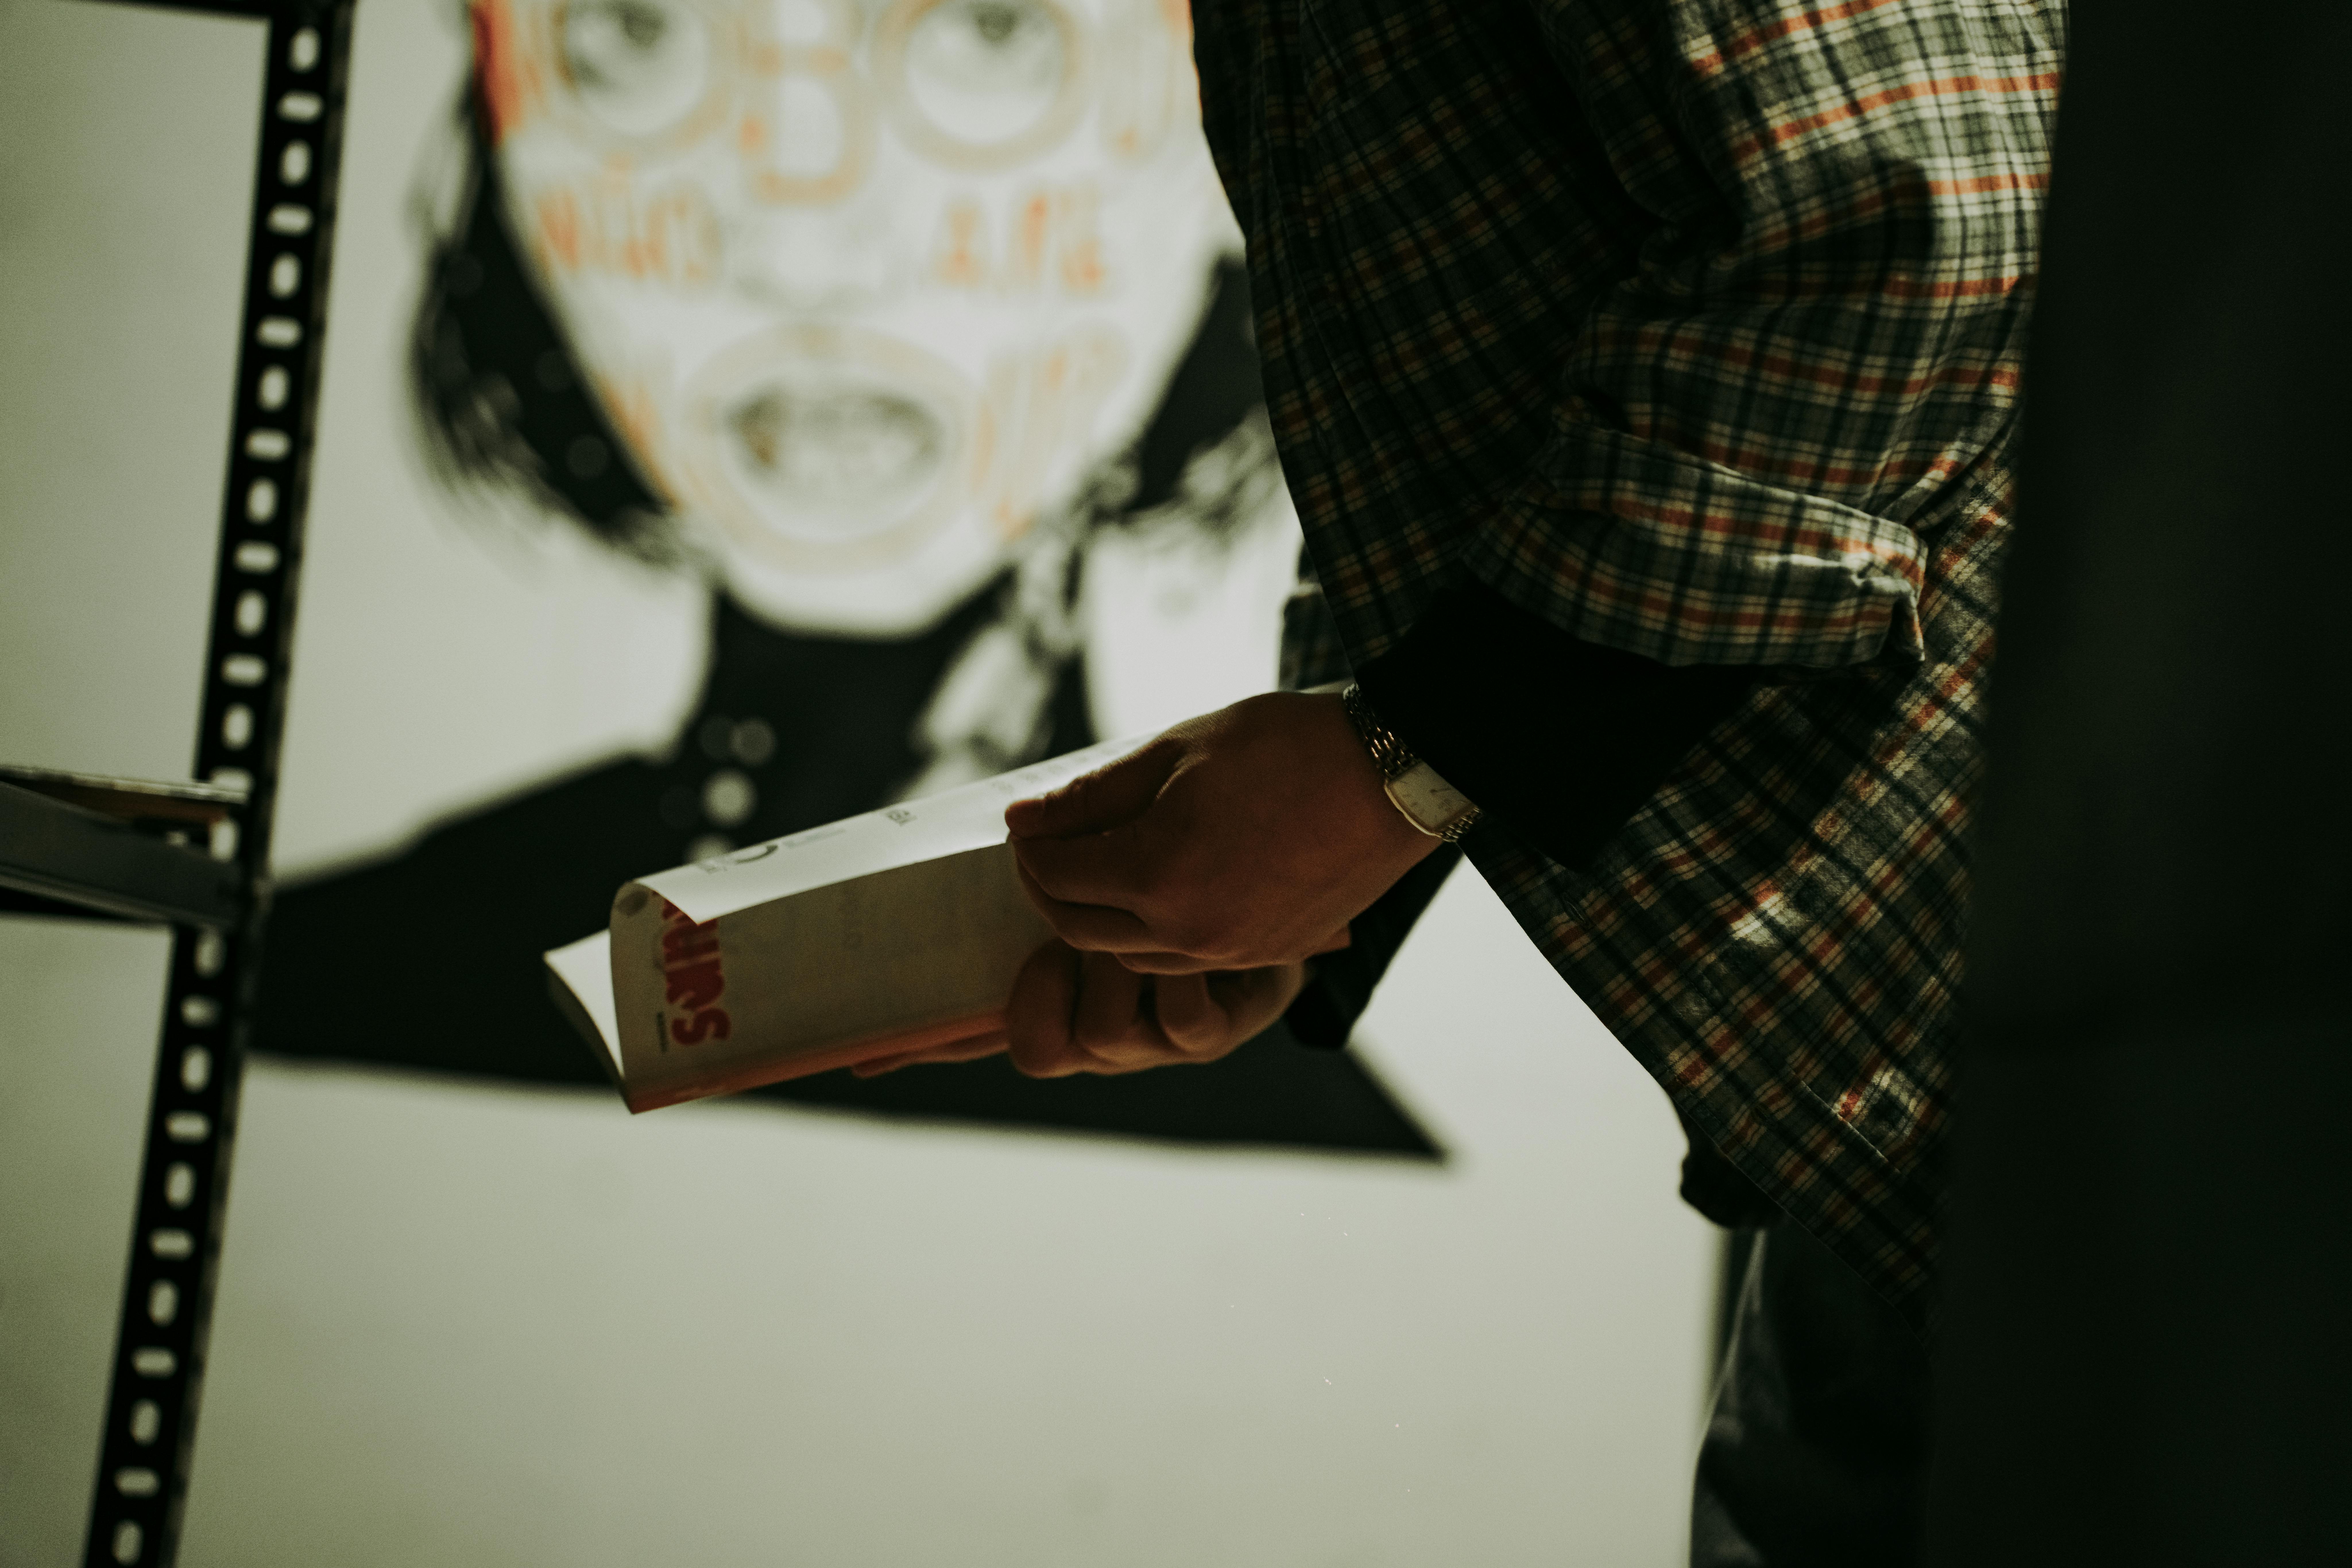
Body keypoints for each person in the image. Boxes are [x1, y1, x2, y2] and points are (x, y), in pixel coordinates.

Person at [880, 1, 2065, 1558]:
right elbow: (1533, 352)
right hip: (1916, 1090)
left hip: (2075, 1040)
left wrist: (1406, 768)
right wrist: (1329, 868)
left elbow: (1918, 225)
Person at [252, 0, 1438, 1157]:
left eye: (990, 30)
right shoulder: (352, 964)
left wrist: (1389, 776)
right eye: (637, 30)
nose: (802, 249)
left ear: (1233, 127)